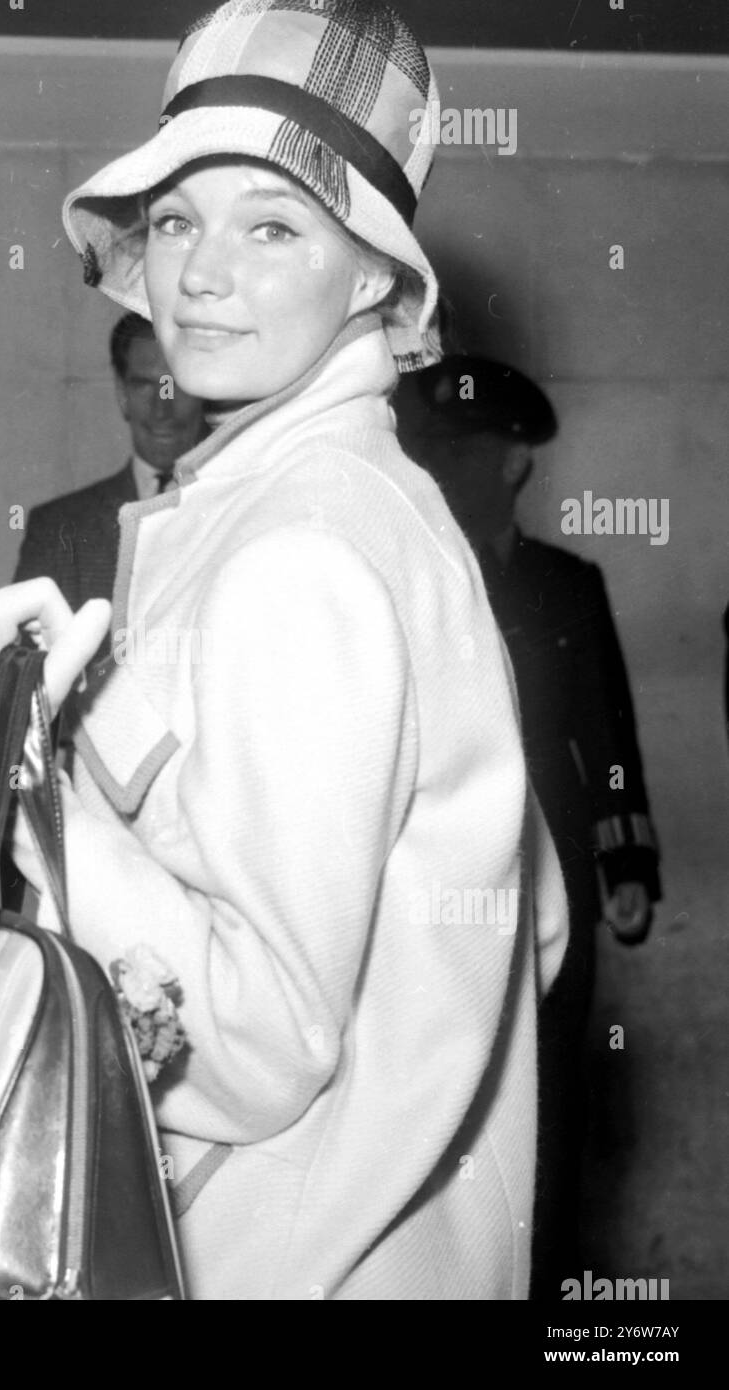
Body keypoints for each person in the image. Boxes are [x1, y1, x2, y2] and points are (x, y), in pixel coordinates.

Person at [0, 0, 567, 1300]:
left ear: (372, 277)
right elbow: (537, 923)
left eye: (272, 225)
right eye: (176, 218)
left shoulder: (305, 551)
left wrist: (26, 792)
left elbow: (254, 1042)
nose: (198, 274)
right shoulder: (352, 503)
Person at [396, 354, 662, 1296]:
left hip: (558, 888)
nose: (448, 469)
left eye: (470, 452)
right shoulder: (418, 578)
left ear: (515, 465)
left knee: (548, 1120)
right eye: (438, 451)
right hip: (440, 888)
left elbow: (610, 736)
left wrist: (628, 864)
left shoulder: (566, 584)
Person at [12, 312, 205, 611]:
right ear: (121, 393)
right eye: (143, 386)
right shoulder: (57, 527)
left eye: (174, 384)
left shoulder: (245, 508)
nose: (161, 410)